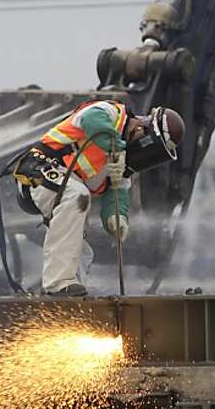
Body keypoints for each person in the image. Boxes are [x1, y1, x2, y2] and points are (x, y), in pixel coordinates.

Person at [12, 100, 184, 297]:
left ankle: (67, 299)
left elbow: (117, 191)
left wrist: (117, 218)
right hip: (40, 170)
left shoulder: (119, 162)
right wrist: (115, 147)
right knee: (78, 195)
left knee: (83, 251)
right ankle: (58, 283)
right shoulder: (111, 112)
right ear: (141, 130)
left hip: (63, 186)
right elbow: (92, 120)